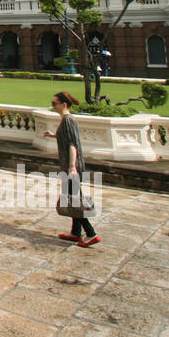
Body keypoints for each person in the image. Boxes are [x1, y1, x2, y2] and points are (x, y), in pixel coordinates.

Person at [44, 91, 99, 247]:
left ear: (64, 104)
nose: (53, 106)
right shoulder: (65, 120)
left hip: (72, 165)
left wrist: (71, 167)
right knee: (73, 198)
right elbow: (66, 138)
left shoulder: (68, 120)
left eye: (55, 103)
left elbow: (72, 145)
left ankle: (91, 233)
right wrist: (53, 135)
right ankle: (76, 232)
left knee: (75, 200)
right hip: (69, 165)